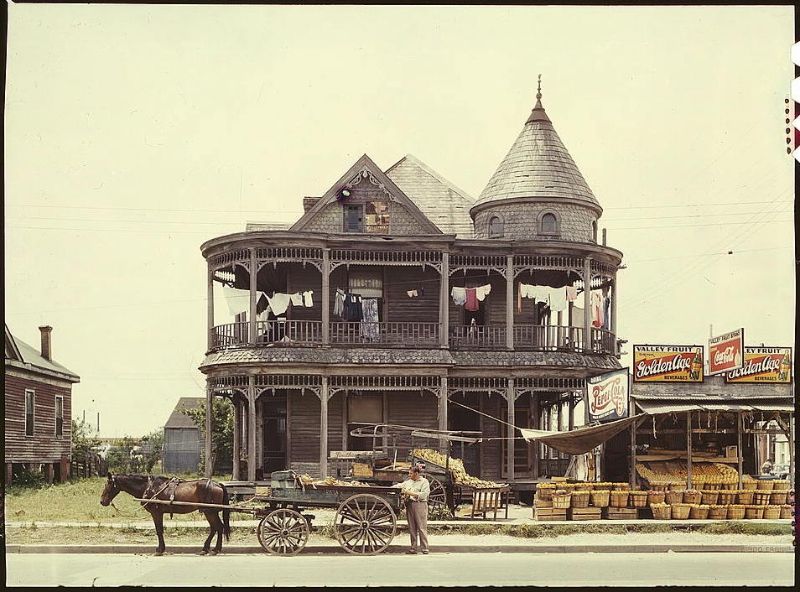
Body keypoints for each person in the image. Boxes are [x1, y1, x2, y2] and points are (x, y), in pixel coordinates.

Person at [395, 464, 430, 554]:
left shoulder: (424, 482)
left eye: (411, 473)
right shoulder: (408, 482)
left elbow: (424, 495)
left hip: (420, 505)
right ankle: (413, 548)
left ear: (416, 473)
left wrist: (409, 493)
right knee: (412, 528)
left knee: (421, 527)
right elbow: (399, 486)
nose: (409, 475)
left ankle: (425, 548)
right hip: (410, 505)